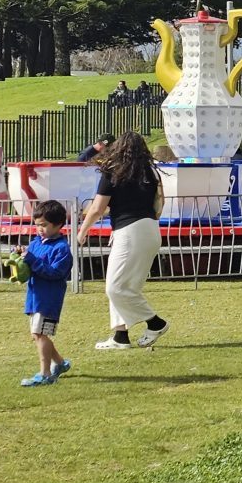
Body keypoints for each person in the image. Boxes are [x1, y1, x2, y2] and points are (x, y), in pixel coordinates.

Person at [75, 131, 169, 350]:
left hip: (129, 231)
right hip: (151, 230)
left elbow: (98, 208)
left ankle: (156, 323)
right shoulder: (152, 173)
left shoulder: (112, 172)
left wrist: (83, 230)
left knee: (115, 288)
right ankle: (120, 336)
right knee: (127, 286)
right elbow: (159, 208)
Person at [14, 200, 74, 386]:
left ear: (58, 225)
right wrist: (20, 257)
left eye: (44, 225)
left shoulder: (62, 249)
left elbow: (55, 273)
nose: (39, 229)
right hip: (34, 297)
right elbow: (29, 265)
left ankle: (45, 373)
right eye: (37, 225)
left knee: (40, 334)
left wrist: (32, 260)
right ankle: (60, 363)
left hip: (49, 299)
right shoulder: (35, 243)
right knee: (37, 334)